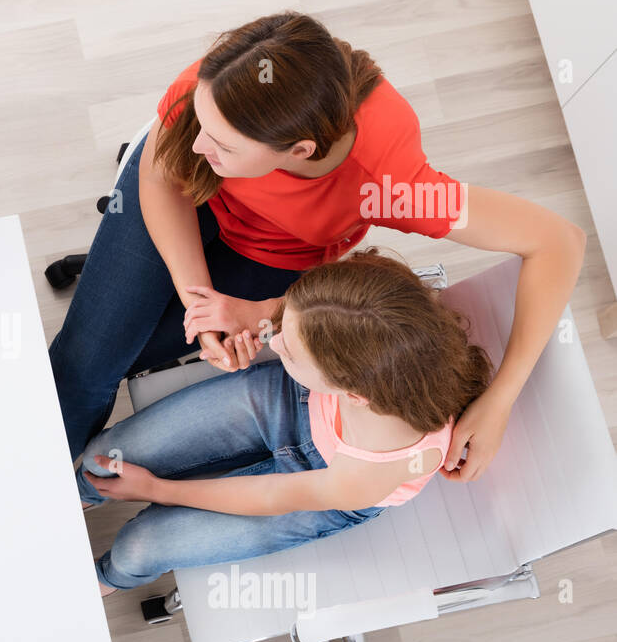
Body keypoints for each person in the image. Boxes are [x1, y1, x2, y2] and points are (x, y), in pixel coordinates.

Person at [49, 12, 585, 485]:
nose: (197, 141)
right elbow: (166, 168)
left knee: (120, 359)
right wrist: (197, 297)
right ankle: (29, 487)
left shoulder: (388, 181)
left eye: (223, 142)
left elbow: (558, 241)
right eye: (203, 123)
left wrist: (500, 399)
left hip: (271, 255)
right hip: (183, 196)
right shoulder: (229, 81)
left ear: (299, 151)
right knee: (83, 368)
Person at [78, 249, 492, 594]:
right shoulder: (368, 313)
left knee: (140, 547)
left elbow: (272, 495)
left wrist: (158, 489)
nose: (273, 344)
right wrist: (257, 325)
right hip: (296, 401)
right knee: (103, 457)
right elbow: (287, 317)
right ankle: (78, 495)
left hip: (322, 483)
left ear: (350, 393)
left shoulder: (376, 471)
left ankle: (105, 579)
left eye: (287, 351)